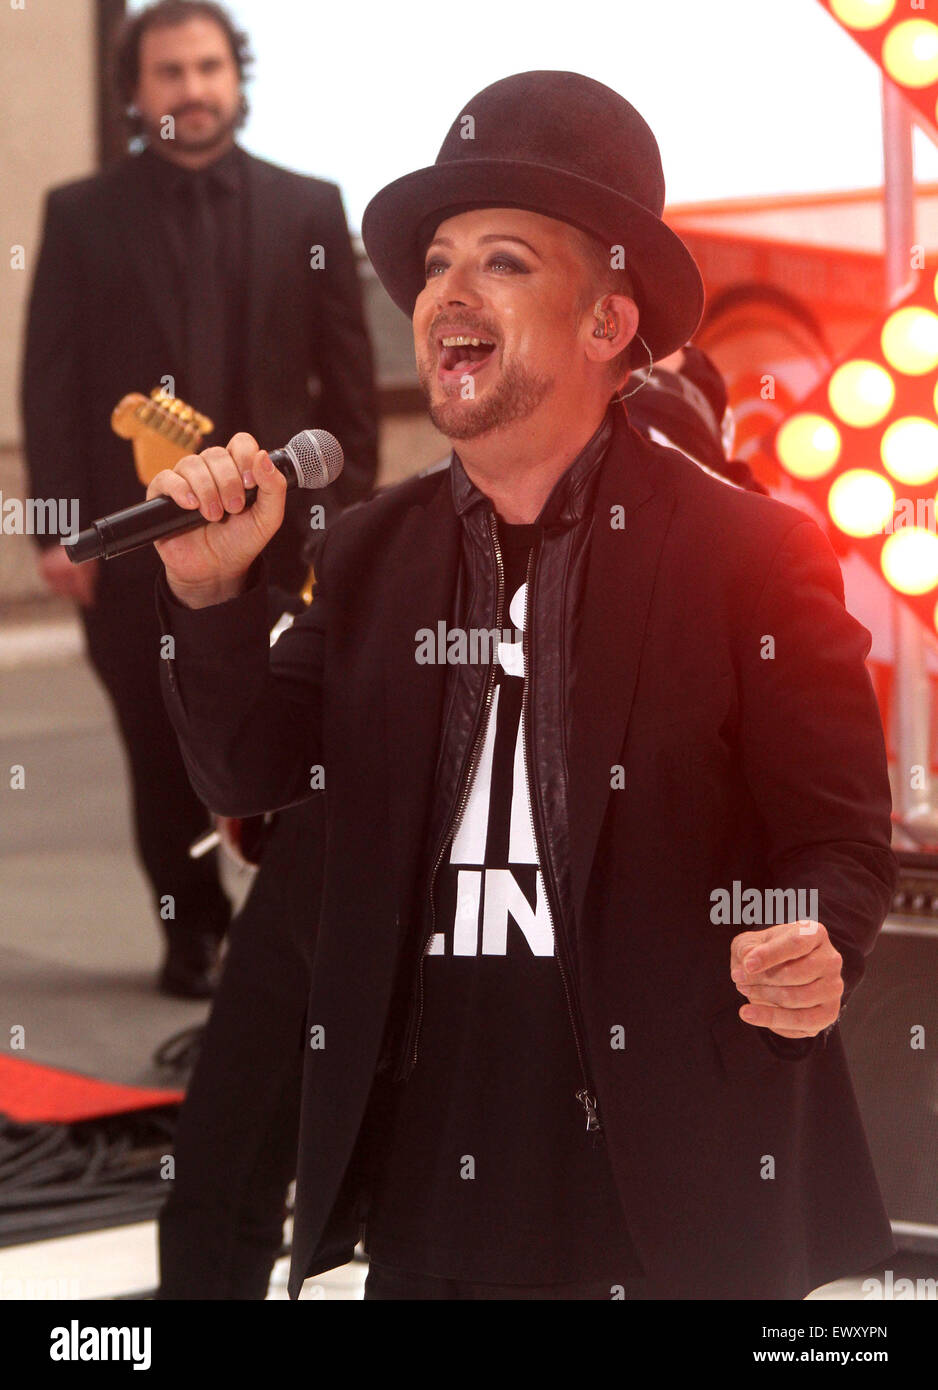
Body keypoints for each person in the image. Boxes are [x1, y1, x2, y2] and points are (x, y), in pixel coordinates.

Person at [147, 71, 897, 1300]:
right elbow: (248, 769)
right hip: (432, 1159)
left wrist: (811, 938)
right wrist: (212, 593)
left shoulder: (749, 554)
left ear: (606, 324)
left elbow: (838, 838)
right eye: (436, 263)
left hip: (666, 1172)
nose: (448, 290)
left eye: (502, 261)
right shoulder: (374, 550)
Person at [20, 0, 377, 996]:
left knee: (297, 735)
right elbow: (51, 379)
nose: (194, 87)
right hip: (132, 540)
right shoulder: (79, 213)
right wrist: (56, 527)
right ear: (135, 93)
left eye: (210, 67)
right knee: (159, 745)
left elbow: (348, 385)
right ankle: (192, 940)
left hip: (287, 540)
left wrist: (350, 522)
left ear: (236, 77)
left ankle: (288, 941)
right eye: (170, 71)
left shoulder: (310, 205)